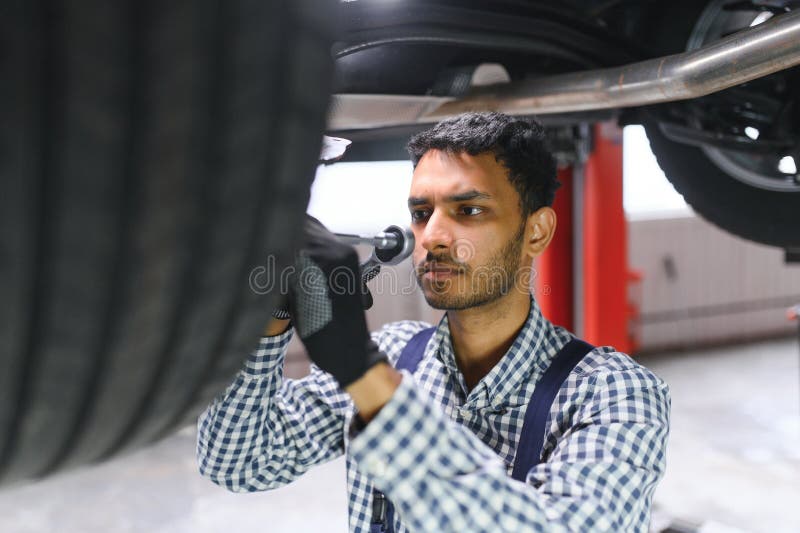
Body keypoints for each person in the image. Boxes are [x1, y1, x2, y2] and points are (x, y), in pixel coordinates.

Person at [196, 112, 670, 532]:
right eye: (422, 214)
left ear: (536, 230)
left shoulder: (615, 393)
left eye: (469, 210)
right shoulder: (398, 354)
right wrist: (275, 313)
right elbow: (238, 461)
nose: (433, 237)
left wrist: (365, 377)